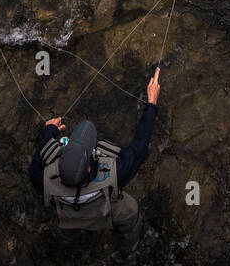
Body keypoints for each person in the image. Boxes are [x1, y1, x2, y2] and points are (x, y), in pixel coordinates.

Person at [29, 67, 161, 253]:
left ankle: (70, 246)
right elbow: (139, 147)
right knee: (130, 211)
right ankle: (128, 249)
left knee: (66, 230)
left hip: (68, 215)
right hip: (106, 210)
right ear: (89, 169)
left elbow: (36, 161)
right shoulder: (115, 174)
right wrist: (152, 102)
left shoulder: (43, 179)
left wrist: (50, 131)